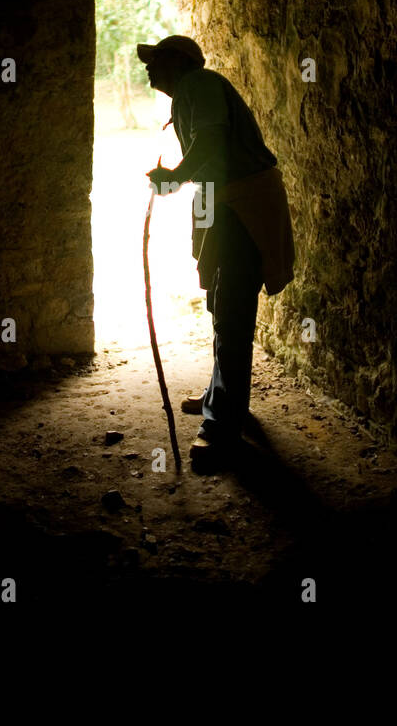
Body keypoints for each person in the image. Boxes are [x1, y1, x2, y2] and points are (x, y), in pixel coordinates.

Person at [139, 35, 295, 472]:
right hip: (217, 200)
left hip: (239, 204)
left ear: (178, 62)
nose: (149, 68)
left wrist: (173, 176)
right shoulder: (188, 95)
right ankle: (221, 395)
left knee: (231, 308)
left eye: (155, 60)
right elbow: (209, 166)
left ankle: (222, 427)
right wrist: (187, 197)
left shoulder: (199, 85)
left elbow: (209, 148)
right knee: (217, 300)